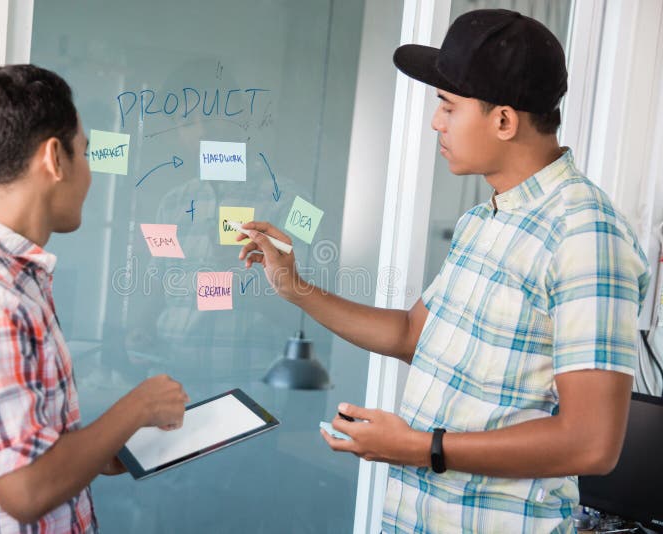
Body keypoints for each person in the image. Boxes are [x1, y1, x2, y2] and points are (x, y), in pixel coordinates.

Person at [237, 9, 649, 533]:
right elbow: (414, 334)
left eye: (448, 107)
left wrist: (418, 447)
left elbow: (591, 442)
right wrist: (295, 289)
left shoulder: (587, 235)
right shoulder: (484, 219)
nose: (436, 123)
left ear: (503, 121)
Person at [0, 64, 189, 532]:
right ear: (55, 158)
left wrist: (105, 448)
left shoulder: (11, 281)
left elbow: (28, 450)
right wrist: (138, 406)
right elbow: (26, 489)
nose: (91, 177)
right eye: (86, 153)